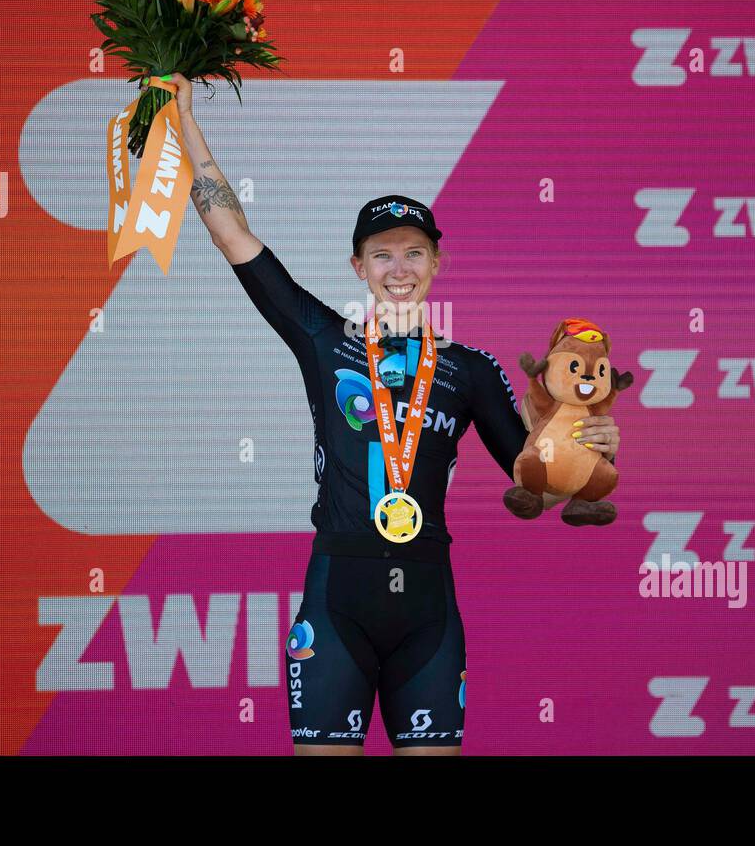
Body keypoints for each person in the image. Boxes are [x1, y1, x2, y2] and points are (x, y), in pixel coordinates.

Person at [174, 77, 619, 754]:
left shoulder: (468, 368)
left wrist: (592, 455)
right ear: (359, 265)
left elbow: (538, 476)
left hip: (427, 613)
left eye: (414, 251)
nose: (399, 266)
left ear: (437, 262)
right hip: (337, 600)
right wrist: (185, 127)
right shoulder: (325, 341)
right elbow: (230, 231)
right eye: (383, 252)